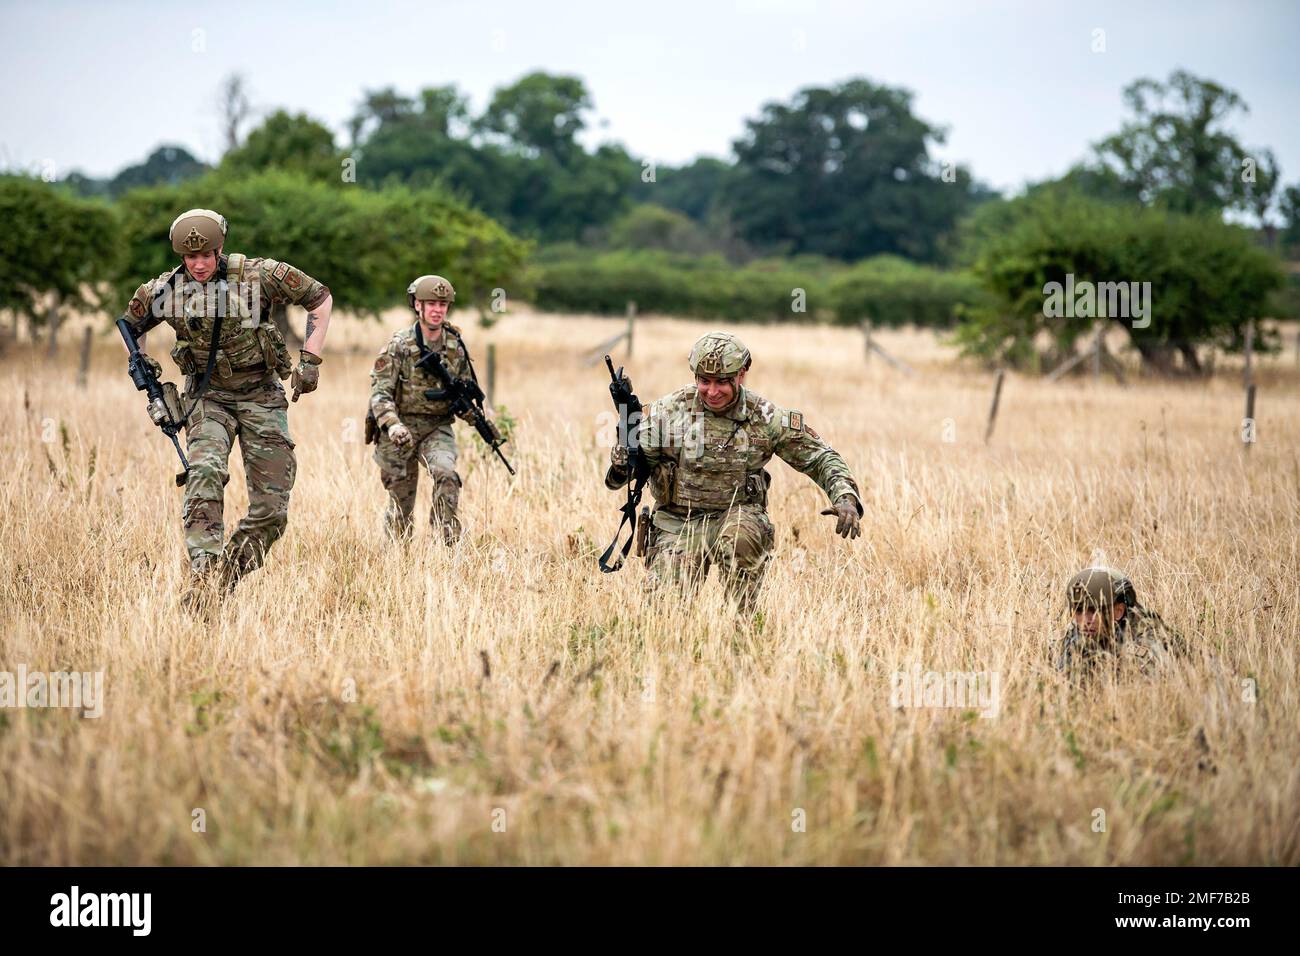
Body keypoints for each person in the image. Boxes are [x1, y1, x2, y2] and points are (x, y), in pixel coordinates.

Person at [121, 208, 332, 608]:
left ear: (221, 249)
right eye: (190, 257)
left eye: (207, 255)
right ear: (181, 256)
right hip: (208, 397)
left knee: (272, 511)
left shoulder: (261, 275)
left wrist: (310, 360)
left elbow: (320, 299)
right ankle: (202, 574)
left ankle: (224, 579)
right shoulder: (163, 291)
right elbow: (130, 328)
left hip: (261, 395)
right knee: (204, 472)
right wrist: (148, 380)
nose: (199, 264)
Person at [605, 331, 863, 613]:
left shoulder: (765, 417)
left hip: (737, 515)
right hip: (677, 521)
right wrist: (622, 461)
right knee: (665, 614)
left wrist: (846, 497)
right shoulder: (668, 412)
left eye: (722, 382)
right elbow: (625, 477)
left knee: (740, 541)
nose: (712, 391)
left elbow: (821, 458)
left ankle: (743, 629)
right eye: (705, 381)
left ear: (742, 374)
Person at [369, 275, 483, 544]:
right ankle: (398, 559)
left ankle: (447, 542)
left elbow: (464, 388)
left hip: (436, 427)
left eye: (443, 304)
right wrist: (393, 424)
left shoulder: (455, 347)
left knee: (446, 475)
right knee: (401, 503)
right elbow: (380, 393)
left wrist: (471, 412)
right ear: (417, 305)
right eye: (431, 303)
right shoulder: (399, 345)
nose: (437, 310)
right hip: (400, 428)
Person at [1057, 565, 1184, 677]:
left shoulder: (1145, 644)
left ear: (1118, 612)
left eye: (1094, 611)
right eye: (1079, 611)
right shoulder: (1079, 632)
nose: (1085, 620)